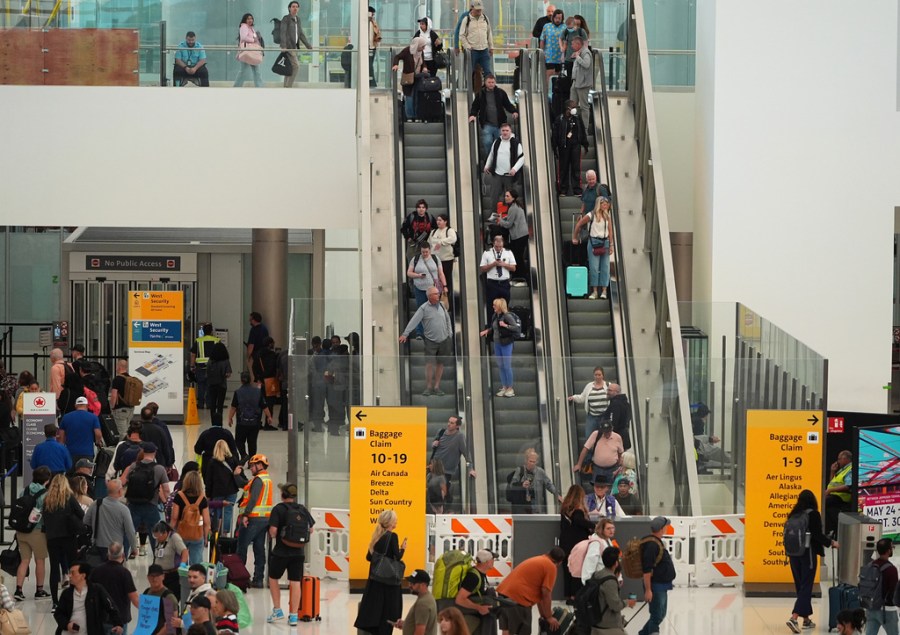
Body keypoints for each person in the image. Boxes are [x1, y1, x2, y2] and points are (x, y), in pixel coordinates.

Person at [785, 491, 838, 633]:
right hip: (807, 554)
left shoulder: (793, 514)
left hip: (793, 554)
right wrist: (831, 542)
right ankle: (794, 617)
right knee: (807, 585)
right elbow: (817, 535)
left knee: (801, 586)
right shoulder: (813, 514)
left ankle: (806, 620)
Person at [266, 482, 314, 626]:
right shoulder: (302, 509)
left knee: (273, 578)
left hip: (281, 552)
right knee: (295, 582)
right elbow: (310, 530)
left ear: (282, 495)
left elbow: (273, 532)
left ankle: (277, 609)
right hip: (299, 552)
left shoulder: (278, 509)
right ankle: (293, 616)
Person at [354, 509, 407, 635]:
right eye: (395, 519)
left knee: (375, 613)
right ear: (391, 522)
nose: (397, 521)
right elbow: (397, 557)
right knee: (387, 614)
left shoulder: (377, 537)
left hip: (375, 581)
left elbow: (369, 557)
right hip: (387, 582)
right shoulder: (392, 536)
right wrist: (403, 549)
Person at [496, 547, 565, 635]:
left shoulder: (539, 559)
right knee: (523, 631)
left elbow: (539, 597)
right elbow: (546, 593)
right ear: (560, 562)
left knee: (507, 629)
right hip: (518, 599)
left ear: (548, 553)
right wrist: (549, 617)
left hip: (503, 594)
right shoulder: (551, 566)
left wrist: (544, 615)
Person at [399, 287, 454, 397]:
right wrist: (405, 334)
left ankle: (437, 386)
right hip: (430, 341)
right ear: (429, 296)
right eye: (435, 294)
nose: (438, 295)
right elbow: (414, 321)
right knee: (429, 364)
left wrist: (450, 333)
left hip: (444, 340)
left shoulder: (442, 305)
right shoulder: (423, 308)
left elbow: (447, 319)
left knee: (440, 363)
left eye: (438, 293)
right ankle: (428, 387)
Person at [42, 473, 84, 608]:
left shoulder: (47, 499)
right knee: (73, 567)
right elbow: (81, 514)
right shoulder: (69, 497)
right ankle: (72, 597)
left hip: (52, 538)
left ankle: (55, 602)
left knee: (54, 569)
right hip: (68, 536)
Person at [122, 442, 170, 553]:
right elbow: (166, 490)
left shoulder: (134, 466)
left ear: (143, 452)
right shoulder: (159, 469)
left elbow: (125, 482)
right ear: (155, 453)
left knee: (129, 532)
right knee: (156, 534)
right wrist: (166, 503)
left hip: (133, 505)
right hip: (151, 505)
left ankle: (122, 557)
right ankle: (157, 558)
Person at [53, 561, 123, 635]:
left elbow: (111, 607)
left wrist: (118, 624)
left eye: (72, 573)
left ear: (83, 575)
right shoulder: (66, 593)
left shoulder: (96, 590)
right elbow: (58, 613)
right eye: (69, 573)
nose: (69, 576)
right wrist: (67, 625)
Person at [236, 453, 274, 588]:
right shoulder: (265, 479)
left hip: (253, 518)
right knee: (259, 549)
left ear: (260, 465)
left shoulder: (258, 480)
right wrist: (236, 475)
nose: (251, 468)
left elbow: (253, 499)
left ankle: (240, 578)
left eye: (252, 466)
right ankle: (258, 579)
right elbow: (245, 485)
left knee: (241, 547)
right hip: (264, 520)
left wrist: (246, 515)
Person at [14, 465, 51, 601]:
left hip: (21, 530)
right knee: (39, 561)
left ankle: (18, 590)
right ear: (47, 480)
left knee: (24, 561)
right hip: (37, 531)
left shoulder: (24, 490)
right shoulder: (45, 494)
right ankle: (39, 590)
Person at [638, 517, 678, 635]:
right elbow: (647, 570)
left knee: (661, 614)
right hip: (656, 586)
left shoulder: (655, 541)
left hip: (661, 585)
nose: (667, 528)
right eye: (666, 526)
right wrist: (648, 590)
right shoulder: (652, 544)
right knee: (656, 616)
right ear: (661, 528)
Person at [89, 543, 138, 635]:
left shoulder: (96, 571)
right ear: (123, 555)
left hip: (101, 617)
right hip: (119, 620)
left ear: (108, 555)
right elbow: (134, 598)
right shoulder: (124, 573)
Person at [430, 416, 475, 511]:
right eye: (448, 422)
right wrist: (434, 443)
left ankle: (443, 508)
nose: (448, 424)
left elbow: (466, 453)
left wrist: (470, 469)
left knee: (440, 490)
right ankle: (441, 506)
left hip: (446, 470)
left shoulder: (459, 437)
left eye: (452, 423)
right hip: (434, 466)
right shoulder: (441, 432)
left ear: (457, 426)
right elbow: (434, 444)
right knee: (433, 489)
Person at [84, 479, 137, 560]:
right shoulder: (123, 509)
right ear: (120, 491)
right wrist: (134, 548)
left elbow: (86, 521)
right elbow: (130, 531)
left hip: (98, 546)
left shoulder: (96, 504)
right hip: (116, 549)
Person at [572, 196, 614, 300]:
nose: (606, 206)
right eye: (604, 204)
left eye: (606, 204)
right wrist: (574, 237)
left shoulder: (607, 216)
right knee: (594, 268)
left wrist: (612, 244)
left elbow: (610, 231)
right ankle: (594, 291)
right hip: (594, 242)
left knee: (605, 267)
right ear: (599, 204)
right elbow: (579, 224)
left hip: (605, 242)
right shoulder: (591, 215)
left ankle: (604, 290)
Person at [468, 73, 518, 157]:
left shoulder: (501, 93)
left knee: (500, 144)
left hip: (500, 124)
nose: (491, 84)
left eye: (493, 82)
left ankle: (497, 161)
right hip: (487, 124)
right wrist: (473, 115)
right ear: (485, 82)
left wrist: (514, 111)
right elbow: (475, 106)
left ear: (495, 82)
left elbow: (507, 104)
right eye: (489, 82)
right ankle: (489, 160)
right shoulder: (480, 94)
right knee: (487, 142)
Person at [479, 298, 521, 398]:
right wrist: (487, 331)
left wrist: (506, 325)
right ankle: (504, 386)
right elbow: (494, 327)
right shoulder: (495, 316)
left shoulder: (507, 316)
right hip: (497, 343)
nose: (493, 307)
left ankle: (510, 387)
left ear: (499, 307)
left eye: (495, 305)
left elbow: (516, 327)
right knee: (500, 366)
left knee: (507, 366)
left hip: (506, 343)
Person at [559, 484, 595, 600]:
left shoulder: (565, 508)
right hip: (576, 543)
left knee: (567, 569)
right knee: (576, 569)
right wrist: (594, 525)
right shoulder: (578, 510)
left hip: (565, 542)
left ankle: (568, 594)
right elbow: (579, 521)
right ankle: (576, 595)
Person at [228, 371, 272, 460]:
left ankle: (244, 455)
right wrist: (269, 416)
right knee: (252, 442)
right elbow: (264, 406)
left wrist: (230, 418)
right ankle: (252, 460)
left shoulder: (238, 392)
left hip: (241, 422)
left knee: (239, 441)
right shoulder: (258, 392)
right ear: (251, 380)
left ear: (241, 381)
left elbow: (233, 407)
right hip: (255, 423)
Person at [449, 549, 495, 635]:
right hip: (469, 617)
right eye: (492, 559)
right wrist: (479, 608)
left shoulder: (482, 574)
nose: (493, 561)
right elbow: (460, 599)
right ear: (486, 562)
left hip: (475, 616)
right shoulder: (473, 577)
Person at [170, 471, 210, 565]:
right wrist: (205, 538)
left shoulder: (179, 496)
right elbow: (206, 521)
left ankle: (181, 577)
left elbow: (174, 518)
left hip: (181, 534)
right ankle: (194, 577)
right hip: (197, 534)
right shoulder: (202, 499)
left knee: (179, 561)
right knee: (196, 565)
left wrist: (171, 534)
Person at [408, 244, 448, 337]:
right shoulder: (416, 259)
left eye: (426, 252)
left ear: (430, 250)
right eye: (423, 252)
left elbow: (441, 273)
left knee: (435, 309)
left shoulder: (435, 258)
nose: (424, 254)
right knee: (420, 310)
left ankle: (436, 330)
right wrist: (418, 275)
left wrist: (445, 285)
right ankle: (419, 332)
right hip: (419, 289)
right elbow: (409, 273)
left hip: (433, 289)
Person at [591, 546, 632, 635]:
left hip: (594, 620)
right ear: (616, 563)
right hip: (606, 625)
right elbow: (615, 605)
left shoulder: (597, 574)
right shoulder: (610, 580)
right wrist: (627, 602)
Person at [508, 448, 562, 513]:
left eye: (534, 462)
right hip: (523, 504)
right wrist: (522, 484)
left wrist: (557, 495)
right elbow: (512, 484)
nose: (532, 464)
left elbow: (549, 484)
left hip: (536, 505)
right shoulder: (519, 470)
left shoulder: (540, 472)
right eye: (530, 461)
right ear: (526, 460)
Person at [552, 99, 589, 197]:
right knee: (563, 168)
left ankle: (577, 189)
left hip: (575, 146)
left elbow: (582, 132)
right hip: (563, 147)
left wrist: (585, 145)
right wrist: (554, 147)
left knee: (576, 168)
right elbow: (555, 134)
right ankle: (563, 189)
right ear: (568, 108)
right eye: (573, 107)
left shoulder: (577, 118)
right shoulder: (559, 119)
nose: (575, 109)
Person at [483, 123, 524, 207]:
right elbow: (491, 154)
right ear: (500, 131)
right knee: (494, 195)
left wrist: (514, 169)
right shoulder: (497, 141)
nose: (505, 132)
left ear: (510, 131)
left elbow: (522, 158)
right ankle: (494, 214)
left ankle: (512, 213)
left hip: (510, 175)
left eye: (507, 131)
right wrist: (487, 165)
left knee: (511, 196)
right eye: (503, 131)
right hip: (497, 174)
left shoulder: (516, 143)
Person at [861, 538, 897, 635]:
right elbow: (894, 592)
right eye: (892, 547)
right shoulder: (891, 569)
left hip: (871, 607)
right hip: (887, 610)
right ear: (889, 551)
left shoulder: (870, 565)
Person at [206, 439, 241, 535]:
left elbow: (208, 480)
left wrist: (208, 494)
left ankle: (216, 532)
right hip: (232, 491)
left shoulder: (212, 462)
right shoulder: (233, 459)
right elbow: (240, 474)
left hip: (217, 491)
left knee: (217, 511)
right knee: (228, 512)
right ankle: (225, 532)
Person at [479, 234, 516, 316]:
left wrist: (504, 264)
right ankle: (491, 327)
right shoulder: (487, 253)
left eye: (500, 247)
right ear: (493, 244)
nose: (498, 248)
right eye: (496, 247)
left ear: (503, 244)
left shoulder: (508, 253)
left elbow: (513, 268)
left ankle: (504, 325)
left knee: (504, 307)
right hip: (492, 284)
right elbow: (482, 269)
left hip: (504, 283)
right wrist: (493, 264)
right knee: (491, 307)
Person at [59, 396, 102, 464]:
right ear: (87, 405)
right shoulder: (93, 417)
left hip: (70, 452)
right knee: (85, 473)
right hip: (87, 452)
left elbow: (61, 437)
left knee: (70, 474)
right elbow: (98, 434)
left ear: (75, 405)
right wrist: (97, 442)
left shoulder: (66, 417)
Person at [391, 569, 437, 634]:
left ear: (423, 585)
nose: (409, 585)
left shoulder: (423, 604)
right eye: (409, 583)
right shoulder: (427, 598)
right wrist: (406, 624)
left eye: (413, 583)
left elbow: (420, 632)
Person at [568, 368, 610, 440]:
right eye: (595, 375)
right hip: (592, 417)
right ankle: (590, 451)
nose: (597, 377)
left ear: (603, 375)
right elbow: (582, 397)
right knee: (589, 438)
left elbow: (613, 396)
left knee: (603, 437)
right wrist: (573, 397)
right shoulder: (589, 386)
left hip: (604, 417)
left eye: (599, 375)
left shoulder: (608, 385)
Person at [279, 1, 312, 88]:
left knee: (290, 67)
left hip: (294, 47)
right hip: (288, 47)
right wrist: (283, 46)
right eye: (293, 6)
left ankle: (286, 86)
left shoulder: (298, 19)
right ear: (289, 8)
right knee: (296, 66)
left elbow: (300, 33)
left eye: (297, 7)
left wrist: (308, 45)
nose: (295, 8)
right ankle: (288, 86)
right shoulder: (286, 18)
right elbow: (282, 32)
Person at [169, 565, 213, 632]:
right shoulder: (194, 592)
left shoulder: (209, 595)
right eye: (189, 577)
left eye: (195, 577)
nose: (191, 580)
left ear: (203, 578)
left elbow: (206, 622)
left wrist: (181, 623)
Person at [151, 521, 188, 597]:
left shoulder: (174, 537)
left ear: (165, 533)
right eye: (155, 537)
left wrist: (182, 564)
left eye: (158, 536)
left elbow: (184, 551)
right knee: (158, 600)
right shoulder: (158, 540)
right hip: (160, 576)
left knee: (169, 603)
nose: (157, 539)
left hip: (172, 576)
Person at [393, 38, 427, 120]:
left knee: (417, 97)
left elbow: (423, 62)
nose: (423, 48)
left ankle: (417, 116)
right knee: (409, 97)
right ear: (417, 45)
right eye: (422, 46)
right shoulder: (407, 51)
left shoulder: (420, 52)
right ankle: (409, 117)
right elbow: (397, 57)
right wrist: (395, 65)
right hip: (408, 78)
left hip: (418, 78)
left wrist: (425, 67)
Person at [458, 0, 493, 78]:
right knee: (471, 72)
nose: (479, 11)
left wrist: (491, 47)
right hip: (473, 51)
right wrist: (468, 46)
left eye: (480, 9)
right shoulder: (466, 19)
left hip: (484, 50)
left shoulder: (485, 18)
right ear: (472, 8)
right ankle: (471, 89)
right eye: (477, 9)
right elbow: (461, 35)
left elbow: (489, 33)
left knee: (487, 72)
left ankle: (487, 89)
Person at [253, 336, 280, 431]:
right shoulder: (272, 355)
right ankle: (268, 423)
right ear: (270, 344)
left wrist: (258, 378)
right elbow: (272, 368)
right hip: (270, 381)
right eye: (273, 343)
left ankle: (257, 423)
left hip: (260, 381)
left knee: (259, 403)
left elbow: (254, 367)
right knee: (270, 403)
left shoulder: (257, 354)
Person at [189, 322, 219, 410]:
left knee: (201, 386)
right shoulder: (216, 340)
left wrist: (192, 366)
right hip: (213, 367)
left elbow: (193, 355)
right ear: (211, 331)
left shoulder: (198, 341)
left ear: (203, 331)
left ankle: (201, 404)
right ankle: (209, 404)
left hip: (200, 367)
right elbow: (221, 354)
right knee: (210, 386)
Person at [143, 564, 179, 635]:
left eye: (157, 576)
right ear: (148, 577)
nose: (154, 579)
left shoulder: (168, 597)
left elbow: (171, 623)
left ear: (163, 576)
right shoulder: (146, 593)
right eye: (152, 576)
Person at [580, 518, 619, 583]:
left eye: (613, 528)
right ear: (601, 530)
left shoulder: (608, 540)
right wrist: (587, 581)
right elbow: (590, 562)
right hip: (600, 579)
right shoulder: (596, 543)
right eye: (608, 528)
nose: (611, 531)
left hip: (607, 577)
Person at [825, 450, 854, 536]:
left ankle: (829, 530)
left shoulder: (850, 469)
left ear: (845, 459)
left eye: (839, 459)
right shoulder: (841, 470)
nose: (837, 461)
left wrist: (830, 491)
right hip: (834, 497)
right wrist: (832, 471)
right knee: (828, 508)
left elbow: (848, 486)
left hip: (842, 498)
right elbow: (831, 484)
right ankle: (834, 529)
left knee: (824, 502)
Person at [429, 214, 458, 298]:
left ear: (445, 221)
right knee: (436, 279)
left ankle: (447, 297)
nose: (438, 222)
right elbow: (429, 243)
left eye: (440, 220)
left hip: (447, 259)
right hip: (435, 259)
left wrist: (441, 242)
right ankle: (437, 295)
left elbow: (453, 239)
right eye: (437, 220)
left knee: (446, 278)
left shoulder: (449, 230)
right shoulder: (433, 232)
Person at [569, 35, 593, 132]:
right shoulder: (578, 52)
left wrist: (577, 57)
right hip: (575, 82)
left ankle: (585, 128)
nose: (571, 46)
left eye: (573, 44)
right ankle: (572, 125)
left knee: (584, 106)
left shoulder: (586, 52)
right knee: (572, 104)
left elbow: (586, 64)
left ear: (578, 44)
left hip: (583, 84)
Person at [234, 14, 264, 88]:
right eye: (248, 19)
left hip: (252, 51)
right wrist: (253, 40)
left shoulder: (251, 28)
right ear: (245, 20)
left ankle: (259, 87)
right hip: (246, 51)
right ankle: (236, 87)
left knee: (256, 71)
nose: (250, 20)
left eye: (251, 18)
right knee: (243, 71)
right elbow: (243, 37)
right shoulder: (244, 26)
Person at [206, 341, 232, 427]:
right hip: (222, 385)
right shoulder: (225, 361)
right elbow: (228, 374)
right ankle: (219, 423)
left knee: (212, 404)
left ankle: (213, 423)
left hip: (211, 384)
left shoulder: (210, 361)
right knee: (220, 405)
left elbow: (207, 372)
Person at [109, 359, 136, 439]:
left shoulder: (117, 379)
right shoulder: (131, 379)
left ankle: (124, 449)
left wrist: (112, 407)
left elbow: (113, 395)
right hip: (130, 409)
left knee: (122, 433)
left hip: (120, 410)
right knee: (127, 431)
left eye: (117, 366)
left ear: (119, 367)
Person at [602, 383, 632, 450]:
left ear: (617, 392)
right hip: (624, 437)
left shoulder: (615, 404)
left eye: (610, 390)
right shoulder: (626, 403)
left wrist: (608, 436)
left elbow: (613, 422)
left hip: (616, 439)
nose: (607, 392)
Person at [539, 9, 566, 82]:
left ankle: (556, 92)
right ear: (553, 18)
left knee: (558, 76)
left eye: (559, 18)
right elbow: (542, 39)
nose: (558, 20)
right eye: (556, 18)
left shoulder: (564, 27)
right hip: (549, 55)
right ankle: (548, 92)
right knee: (549, 73)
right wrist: (541, 52)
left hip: (560, 56)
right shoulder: (547, 26)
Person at [245, 312, 269, 380]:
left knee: (253, 375)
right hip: (264, 356)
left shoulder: (253, 330)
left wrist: (248, 357)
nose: (249, 321)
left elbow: (251, 345)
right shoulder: (264, 328)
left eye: (250, 319)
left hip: (255, 356)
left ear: (254, 320)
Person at [368, 6, 381, 87]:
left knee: (370, 65)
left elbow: (376, 34)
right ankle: (371, 82)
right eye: (372, 13)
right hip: (368, 47)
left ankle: (371, 82)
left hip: (372, 47)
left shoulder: (373, 23)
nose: (373, 15)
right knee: (369, 65)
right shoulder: (366, 23)